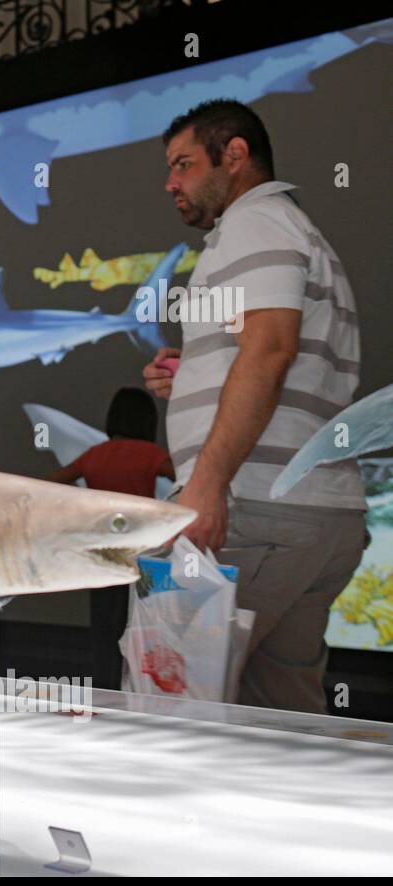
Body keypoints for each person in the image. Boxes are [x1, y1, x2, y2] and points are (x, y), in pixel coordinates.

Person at [142, 99, 366, 714]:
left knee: (170, 702)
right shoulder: (298, 231)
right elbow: (279, 355)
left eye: (184, 164)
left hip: (254, 508)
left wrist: (208, 484)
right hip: (316, 514)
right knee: (280, 719)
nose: (171, 182)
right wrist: (196, 376)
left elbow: (269, 350)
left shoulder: (253, 222)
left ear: (234, 155)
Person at [50, 389, 175, 689]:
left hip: (101, 552)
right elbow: (184, 478)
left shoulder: (95, 455)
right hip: (140, 554)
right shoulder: (151, 455)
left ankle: (102, 688)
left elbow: (52, 483)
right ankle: (133, 686)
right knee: (136, 623)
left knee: (102, 624)